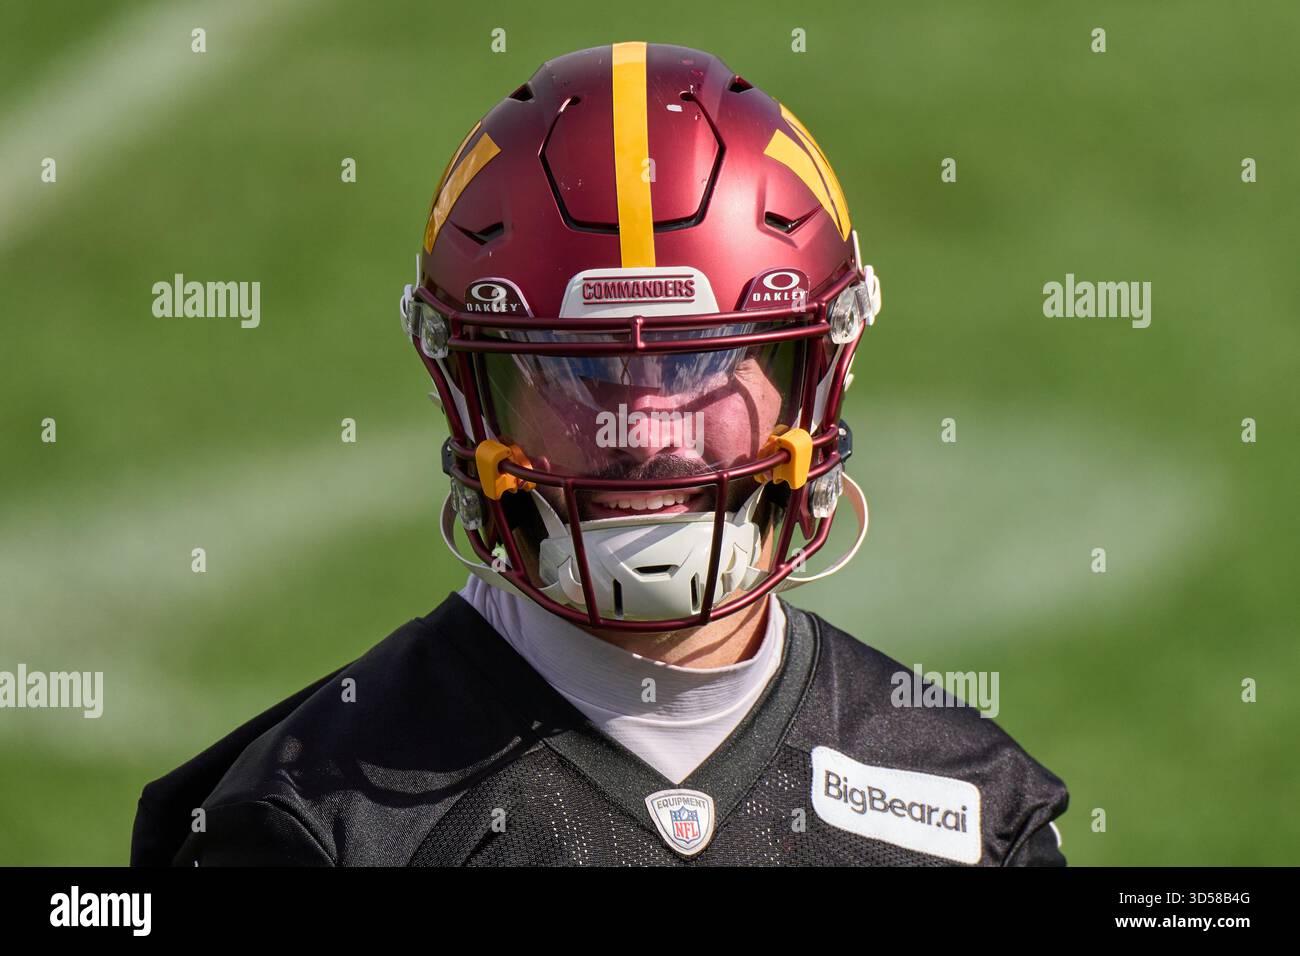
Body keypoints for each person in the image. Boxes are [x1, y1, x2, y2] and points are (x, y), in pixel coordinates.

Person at [131, 41, 1068, 866]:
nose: (651, 429)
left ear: (813, 373)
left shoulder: (973, 807)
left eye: (704, 359)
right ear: (472, 394)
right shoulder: (313, 821)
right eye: (581, 368)